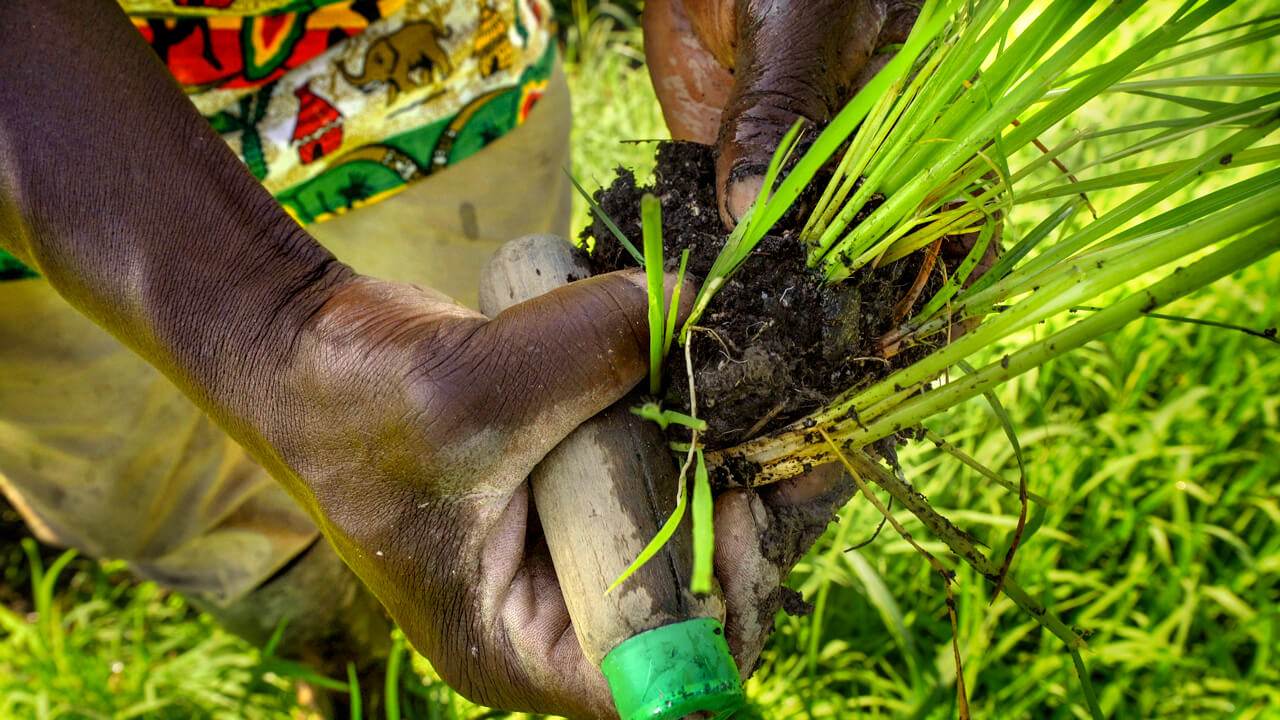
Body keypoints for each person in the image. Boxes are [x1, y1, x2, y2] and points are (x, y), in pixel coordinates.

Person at [0, 0, 919, 716]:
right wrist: (272, 333)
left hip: (425, 87)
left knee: (477, 414)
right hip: (53, 165)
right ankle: (331, 648)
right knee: (172, 498)